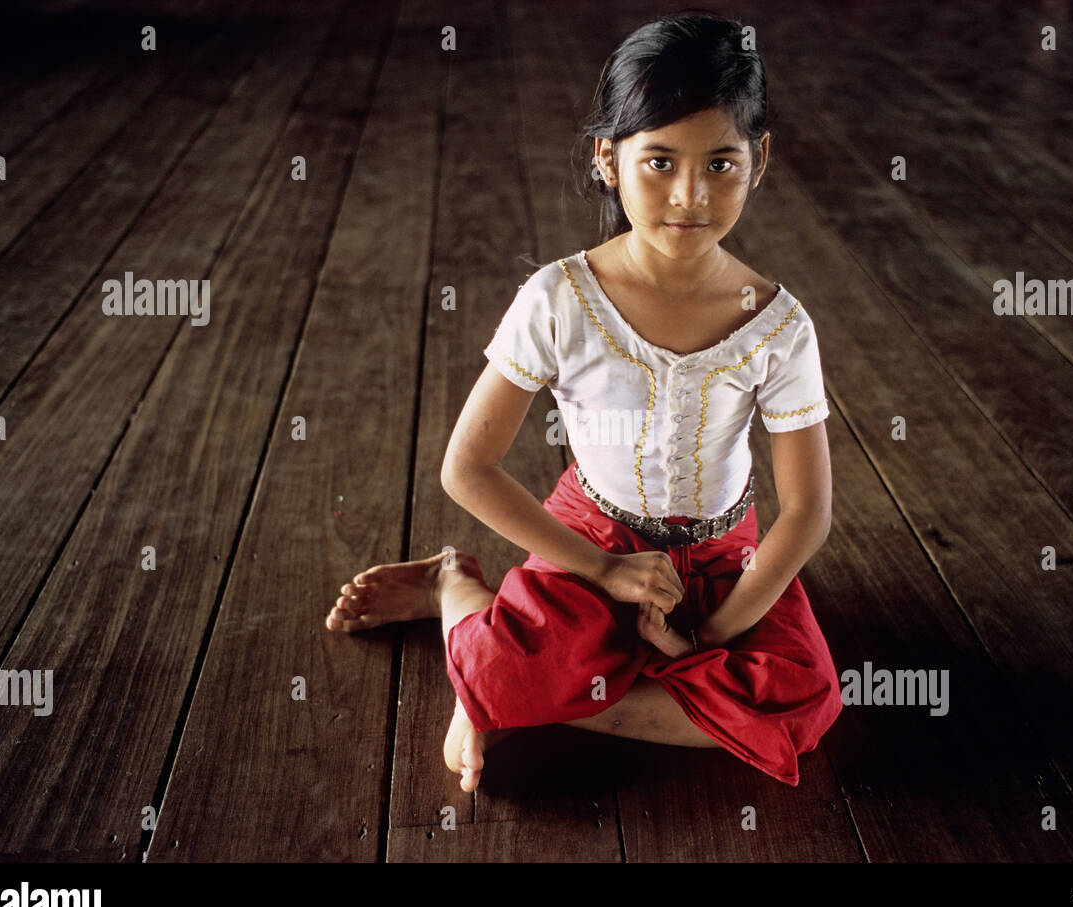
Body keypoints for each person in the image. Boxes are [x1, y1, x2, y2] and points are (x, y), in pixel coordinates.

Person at [325, 12, 842, 793]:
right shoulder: (560, 299)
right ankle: (451, 589)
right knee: (516, 673)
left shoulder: (777, 325)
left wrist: (709, 629)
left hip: (723, 556)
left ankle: (509, 688)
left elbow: (806, 513)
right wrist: (605, 570)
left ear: (759, 161)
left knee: (806, 706)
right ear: (609, 158)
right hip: (591, 539)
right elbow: (468, 468)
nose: (690, 195)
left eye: (721, 164)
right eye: (660, 161)